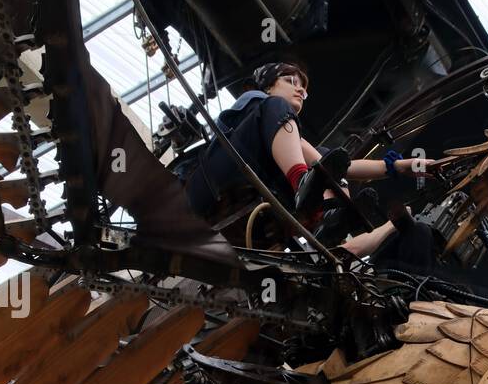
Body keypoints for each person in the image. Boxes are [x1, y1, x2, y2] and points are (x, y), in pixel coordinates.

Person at [185, 61, 442, 265]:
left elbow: (347, 167)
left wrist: (405, 166)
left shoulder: (290, 142)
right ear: (268, 87)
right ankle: (313, 198)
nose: (300, 90)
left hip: (252, 218)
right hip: (213, 186)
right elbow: (311, 153)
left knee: (326, 164)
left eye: (304, 89)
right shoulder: (258, 101)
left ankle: (328, 219)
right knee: (312, 157)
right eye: (290, 81)